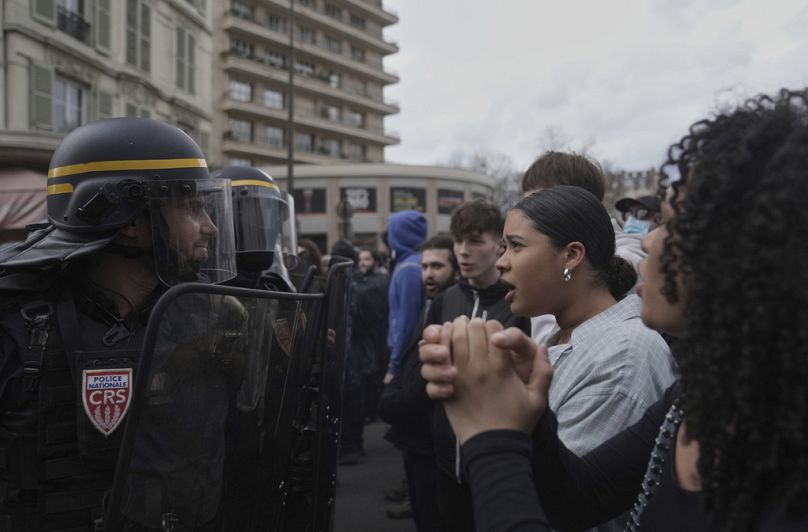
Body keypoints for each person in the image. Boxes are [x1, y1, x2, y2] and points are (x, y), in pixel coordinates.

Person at [422, 88, 808, 531]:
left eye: (673, 224)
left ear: (751, 256)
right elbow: (582, 496)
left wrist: (491, 436)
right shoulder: (697, 401)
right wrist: (525, 411)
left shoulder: (630, 358)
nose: (647, 240)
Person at [0, 117, 237, 530]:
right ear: (129, 220)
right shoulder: (15, 324)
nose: (210, 228)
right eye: (192, 207)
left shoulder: (204, 316)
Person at [427, 199, 531, 532]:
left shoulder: (520, 303)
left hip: (499, 457)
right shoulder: (446, 300)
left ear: (499, 245)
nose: (463, 251)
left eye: (474, 241)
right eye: (458, 242)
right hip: (446, 460)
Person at [522, 151, 647, 345]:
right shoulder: (546, 257)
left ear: (583, 203)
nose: (526, 216)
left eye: (538, 204)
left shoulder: (629, 262)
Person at [378, 235, 458, 531]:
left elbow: (429, 381)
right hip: (415, 439)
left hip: (432, 443)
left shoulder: (450, 309)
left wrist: (390, 401)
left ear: (455, 268)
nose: (428, 274)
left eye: (437, 266)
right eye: (424, 266)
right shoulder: (430, 304)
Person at [215, 165, 298, 291]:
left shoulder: (275, 288)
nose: (267, 229)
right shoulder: (198, 293)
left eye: (271, 219)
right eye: (254, 216)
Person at [384, 210, 428, 384]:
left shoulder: (409, 269)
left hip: (404, 358)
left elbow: (407, 321)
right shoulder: (409, 263)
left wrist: (393, 366)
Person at [355, 247, 389, 423]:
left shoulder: (378, 282)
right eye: (361, 259)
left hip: (376, 336)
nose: (362, 262)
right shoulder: (365, 280)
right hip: (371, 337)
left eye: (367, 259)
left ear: (375, 262)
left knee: (373, 374)